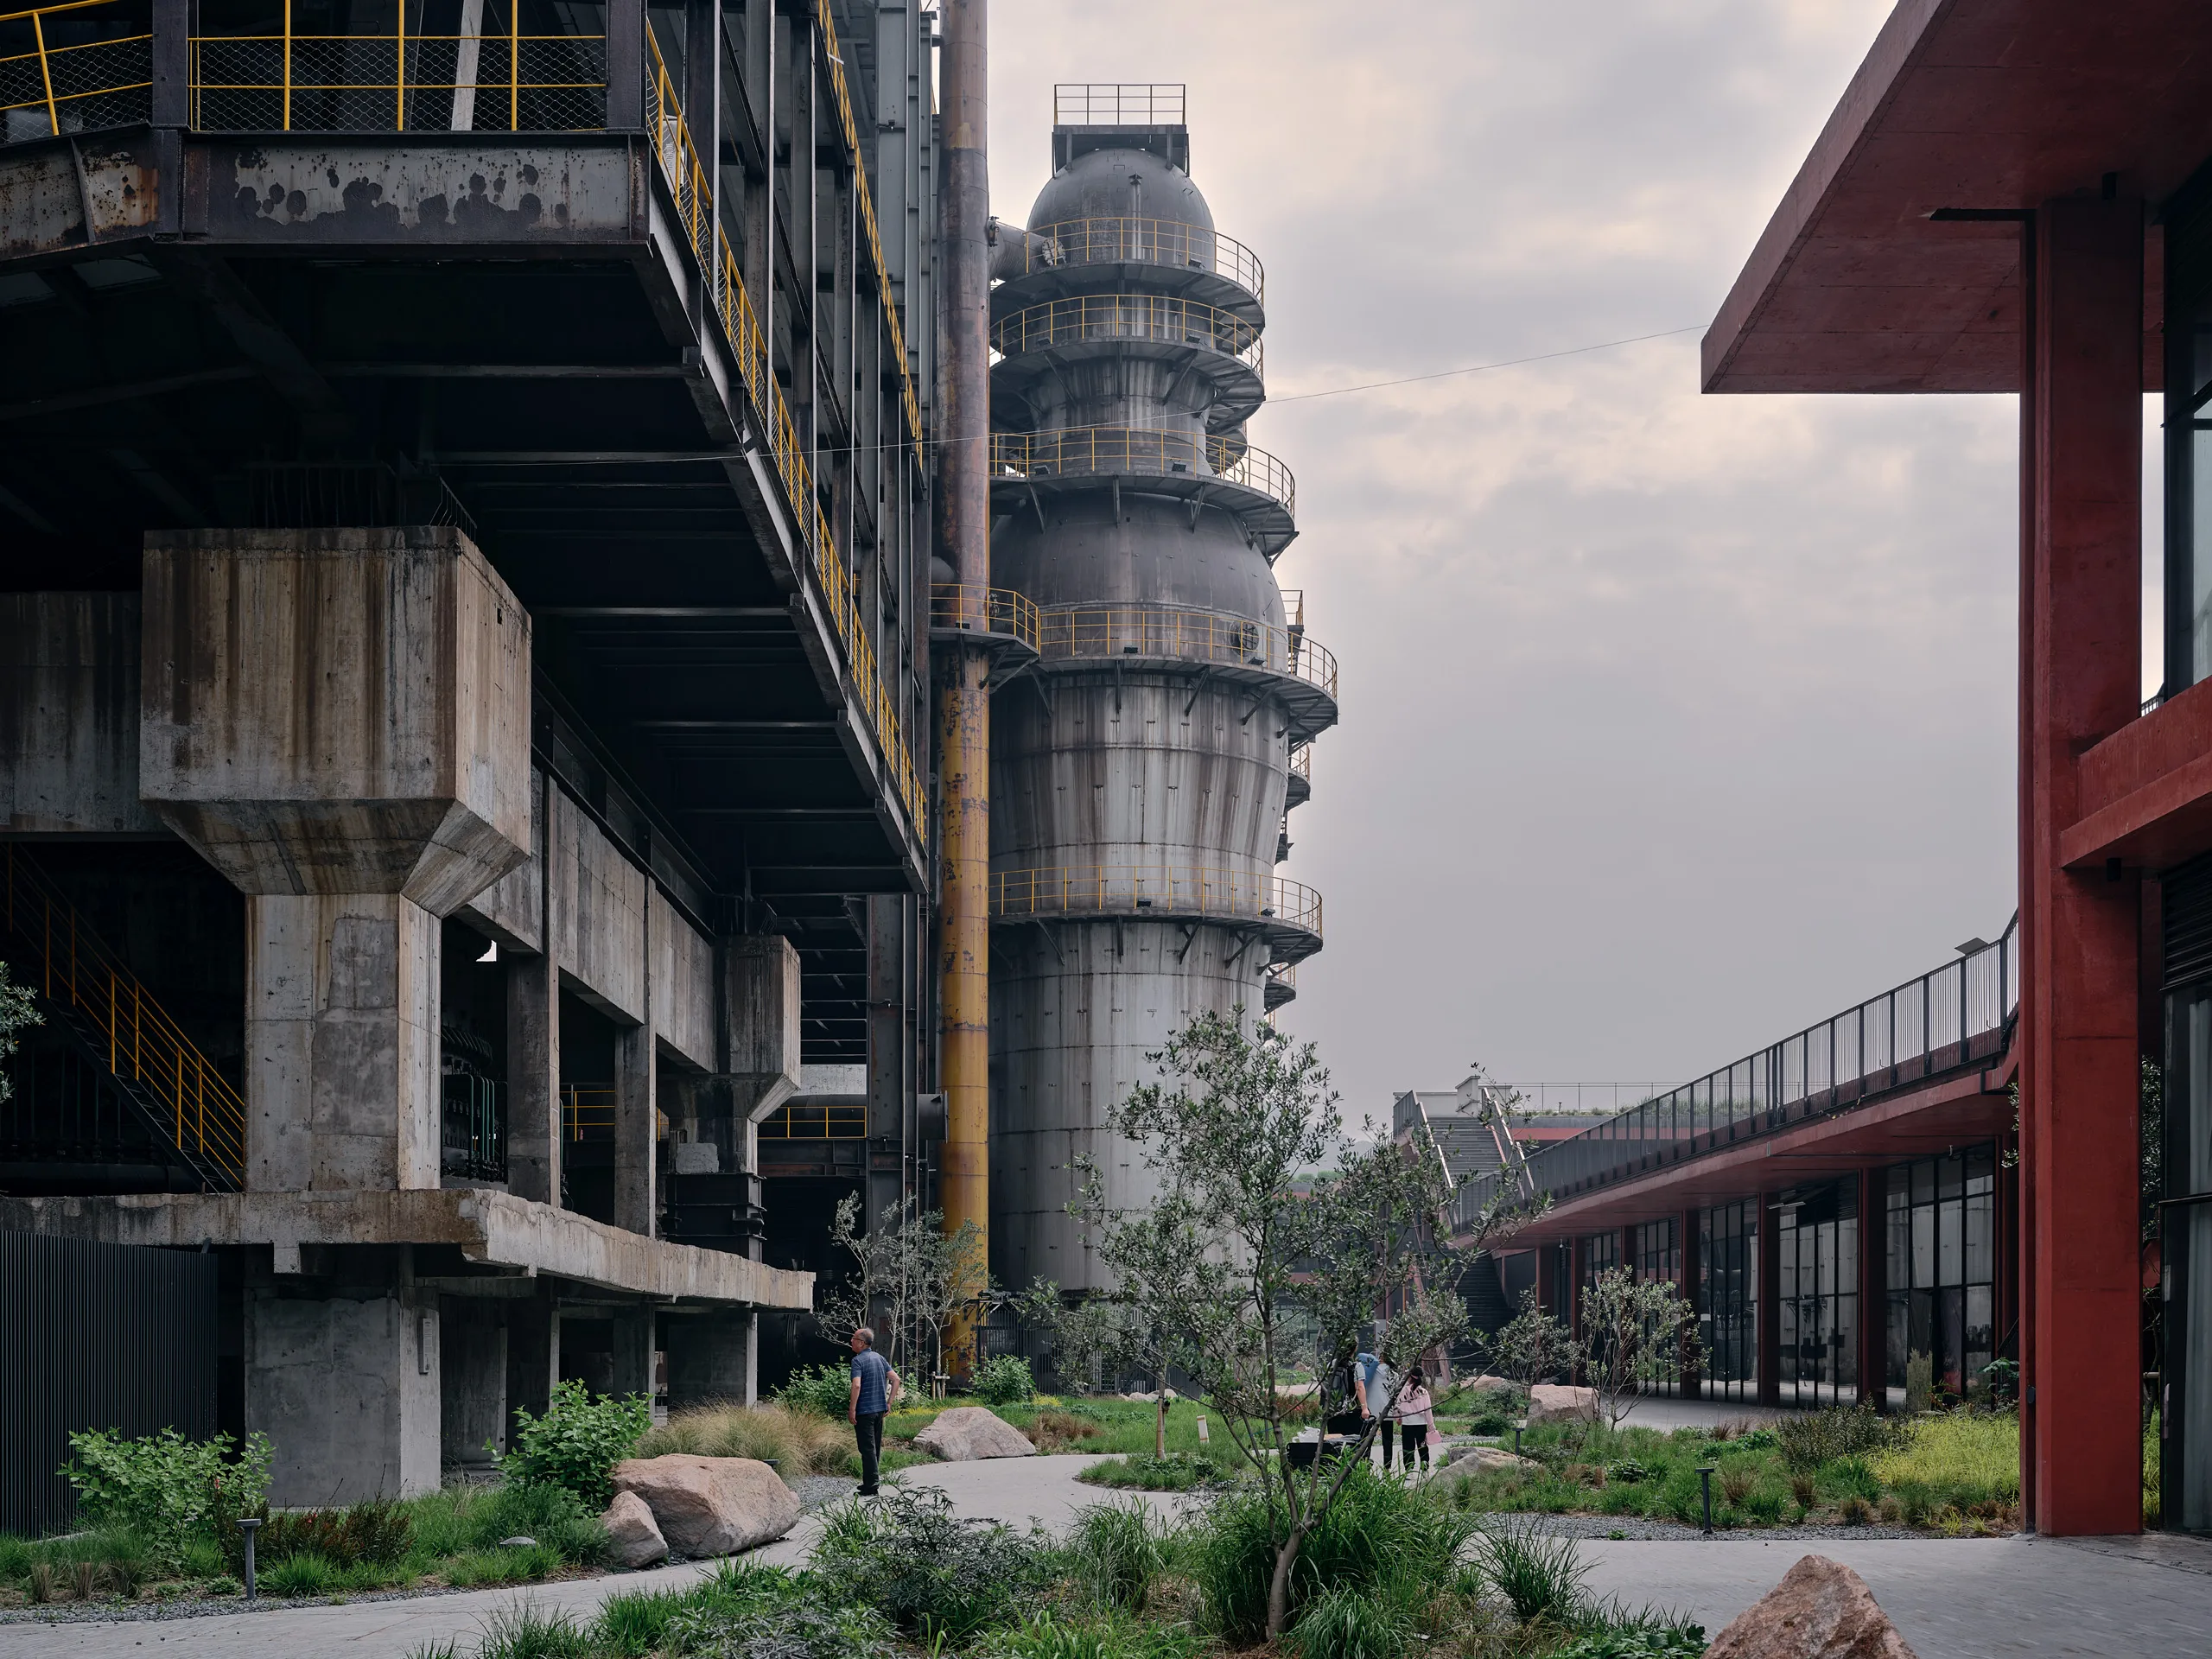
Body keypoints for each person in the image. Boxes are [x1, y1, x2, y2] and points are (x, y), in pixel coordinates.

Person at [848, 1326, 900, 1494]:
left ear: (862, 1343)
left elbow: (856, 1385)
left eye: (854, 1339)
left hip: (864, 1411)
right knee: (874, 1447)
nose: (851, 1341)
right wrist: (889, 1402)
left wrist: (852, 1409)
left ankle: (871, 1485)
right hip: (879, 1410)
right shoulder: (879, 1358)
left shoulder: (857, 1361)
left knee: (866, 1448)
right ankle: (870, 1481)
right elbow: (896, 1379)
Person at [1359, 1351, 1400, 1468]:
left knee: (1367, 1439)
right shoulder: (1394, 1375)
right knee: (1387, 1441)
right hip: (1387, 1412)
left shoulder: (1370, 1372)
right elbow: (1396, 1395)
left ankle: (1365, 1465)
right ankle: (1387, 1468)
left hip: (1370, 1411)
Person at [1392, 1367, 1434, 1474]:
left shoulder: (1403, 1391)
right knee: (1423, 1446)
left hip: (1407, 1423)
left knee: (1408, 1447)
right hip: (1421, 1424)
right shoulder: (1424, 1392)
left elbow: (1396, 1406)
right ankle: (1425, 1468)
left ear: (1410, 1377)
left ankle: (1409, 1470)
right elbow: (1428, 1410)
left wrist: (1398, 1418)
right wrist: (1431, 1426)